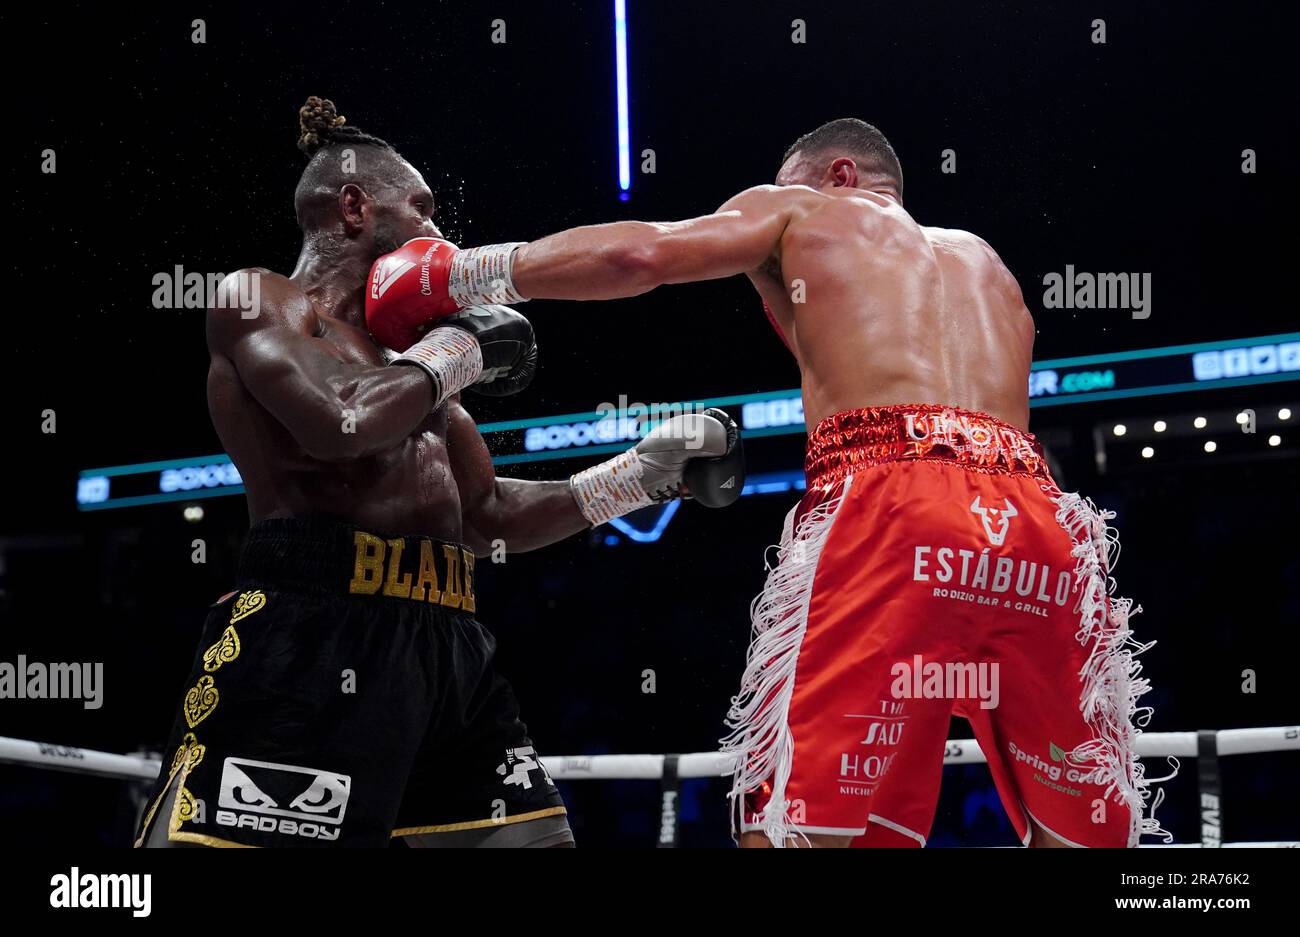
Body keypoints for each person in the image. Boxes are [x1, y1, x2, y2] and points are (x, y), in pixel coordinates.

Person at [369, 117, 1169, 848]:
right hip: (1041, 527)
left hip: (894, 502)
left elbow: (642, 253)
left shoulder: (802, 212)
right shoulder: (987, 265)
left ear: (841, 173)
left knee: (797, 827)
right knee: (1086, 837)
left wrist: (459, 274)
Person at [135, 97, 742, 848]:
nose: (438, 234)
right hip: (313, 633)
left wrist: (638, 476)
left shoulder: (415, 364)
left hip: (445, 645)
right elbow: (337, 422)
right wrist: (460, 350)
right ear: (355, 207)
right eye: (420, 210)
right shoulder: (258, 298)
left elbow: (486, 514)